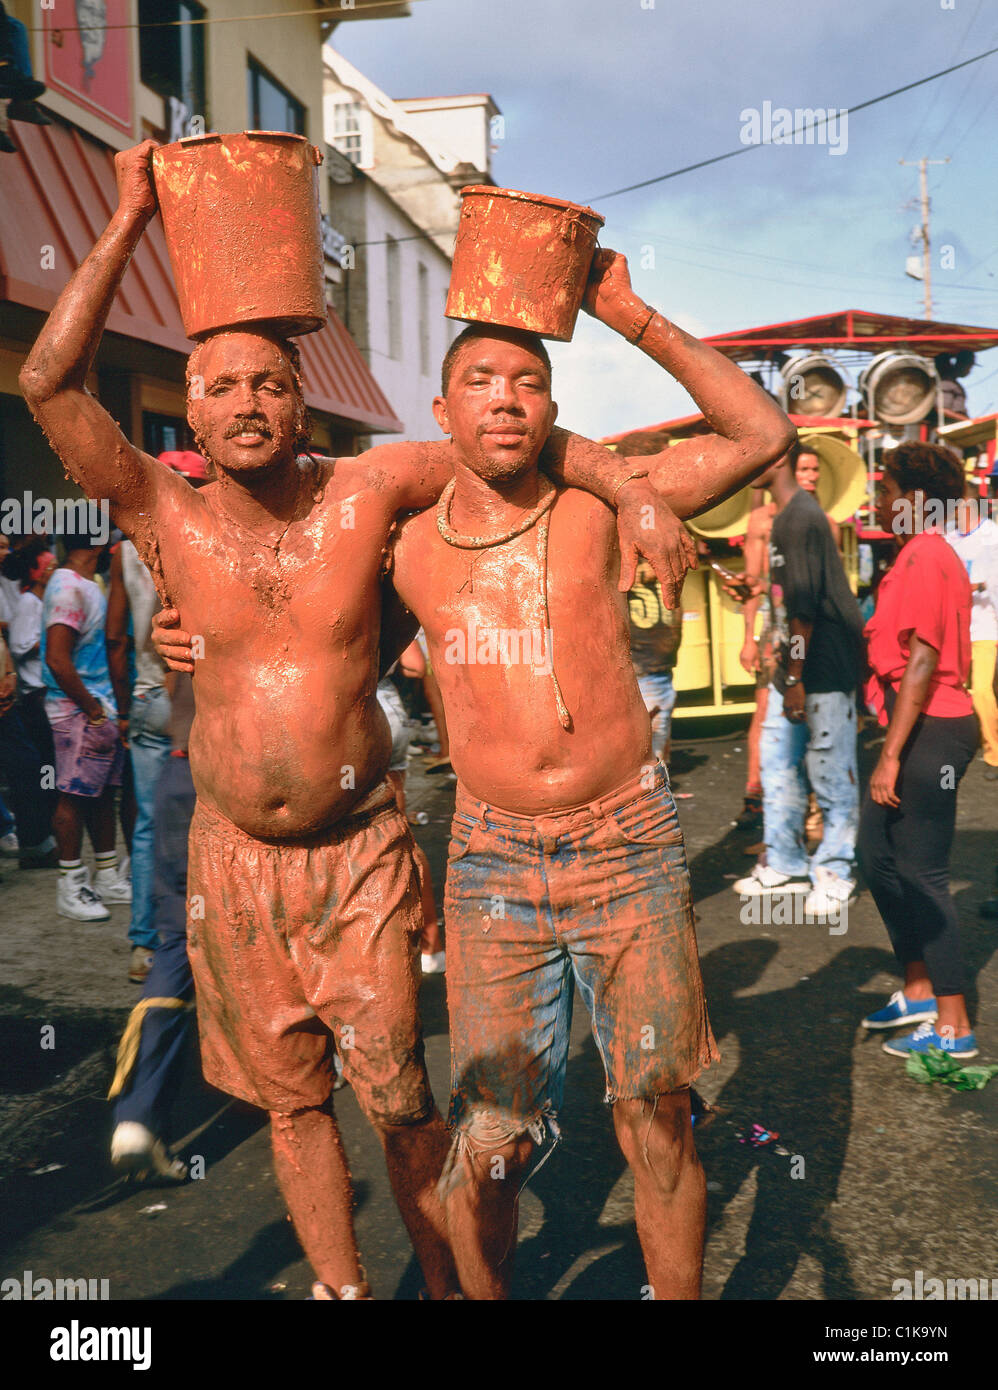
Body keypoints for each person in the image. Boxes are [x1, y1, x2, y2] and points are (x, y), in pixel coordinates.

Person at [20, 141, 705, 1300]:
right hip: (231, 862)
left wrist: (634, 489)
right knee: (293, 1104)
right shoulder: (158, 510)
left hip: (360, 852)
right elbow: (47, 385)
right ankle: (343, 1291)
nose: (247, 403)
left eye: (270, 384)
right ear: (189, 405)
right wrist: (130, 213)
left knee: (401, 1098)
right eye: (223, 385)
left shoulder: (370, 488)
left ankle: (444, 1286)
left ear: (301, 402)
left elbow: (514, 434)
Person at [379, 248, 794, 1300]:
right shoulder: (406, 551)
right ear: (442, 408)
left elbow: (762, 433)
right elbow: (320, 658)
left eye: (528, 383)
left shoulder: (602, 504)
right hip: (489, 859)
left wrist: (620, 306)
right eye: (481, 381)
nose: (506, 401)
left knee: (650, 1105)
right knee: (492, 1134)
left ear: (554, 408)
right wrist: (186, 638)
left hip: (626, 842)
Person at [859, 443, 980, 1058]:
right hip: (918, 725)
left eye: (885, 488)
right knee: (877, 857)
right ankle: (919, 987)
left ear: (912, 499)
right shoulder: (912, 554)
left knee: (921, 873)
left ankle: (955, 1026)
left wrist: (889, 755)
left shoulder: (927, 554)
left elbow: (924, 661)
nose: (877, 500)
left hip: (937, 727)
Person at [733, 441, 864, 916]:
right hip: (794, 665)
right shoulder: (783, 517)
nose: (742, 465)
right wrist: (757, 587)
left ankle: (834, 870)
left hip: (821, 667)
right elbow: (792, 595)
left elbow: (806, 611)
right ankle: (786, 862)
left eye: (751, 455)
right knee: (777, 764)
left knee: (831, 772)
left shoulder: (800, 518)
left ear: (775, 460)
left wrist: (794, 679)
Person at [106, 450, 210, 984]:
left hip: (148, 699)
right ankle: (196, 939)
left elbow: (115, 637)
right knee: (204, 822)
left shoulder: (125, 552)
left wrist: (125, 708)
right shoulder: (207, 544)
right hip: (194, 702)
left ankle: (147, 946)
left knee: (147, 826)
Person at [108, 672, 196, 1181]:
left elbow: (166, 677)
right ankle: (308, 1069)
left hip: (179, 774)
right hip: (228, 781)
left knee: (178, 945)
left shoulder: (184, 612)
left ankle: (137, 1118)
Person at [736, 445, 840, 834]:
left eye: (816, 469)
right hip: (774, 631)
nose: (812, 476)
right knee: (765, 715)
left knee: (812, 717)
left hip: (812, 633)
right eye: (806, 468)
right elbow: (754, 584)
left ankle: (812, 806)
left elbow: (830, 591)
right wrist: (749, 638)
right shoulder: (761, 521)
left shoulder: (826, 523)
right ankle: (756, 796)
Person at [40, 533, 132, 921]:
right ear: (97, 545)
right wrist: (92, 709)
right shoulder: (68, 587)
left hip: (93, 709)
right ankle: (71, 882)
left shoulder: (84, 585)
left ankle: (107, 874)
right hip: (76, 709)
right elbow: (59, 660)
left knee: (98, 794)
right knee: (73, 795)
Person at [376, 636, 446, 972]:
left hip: (357, 713)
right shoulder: (382, 597)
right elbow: (417, 666)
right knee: (400, 836)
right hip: (391, 714)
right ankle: (431, 943)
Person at [4, 539, 58, 866]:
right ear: (36, 574)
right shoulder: (28, 603)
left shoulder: (40, 603)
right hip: (35, 697)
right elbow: (21, 644)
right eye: (50, 567)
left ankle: (45, 837)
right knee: (41, 768)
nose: (55, 572)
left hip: (44, 694)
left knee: (47, 766)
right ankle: (39, 842)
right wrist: (54, 637)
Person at [944, 486, 998, 777]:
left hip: (986, 627)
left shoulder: (992, 536)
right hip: (955, 627)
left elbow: (992, 582)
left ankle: (994, 754)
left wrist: (968, 586)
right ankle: (963, 745)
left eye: (963, 506)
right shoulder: (949, 537)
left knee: (982, 693)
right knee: (956, 691)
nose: (958, 511)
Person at [628, 558, 683, 764]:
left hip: (659, 668)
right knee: (650, 745)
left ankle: (653, 787)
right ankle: (651, 791)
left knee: (656, 740)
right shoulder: (629, 573)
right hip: (642, 669)